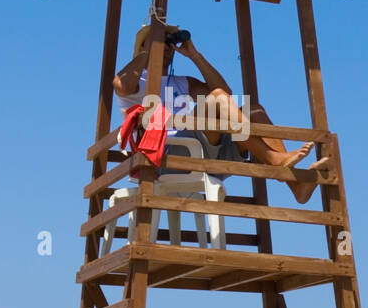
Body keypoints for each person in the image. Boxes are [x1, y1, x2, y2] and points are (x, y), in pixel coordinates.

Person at [113, 27, 330, 204]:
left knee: (254, 110)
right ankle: (273, 157)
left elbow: (225, 92)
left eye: (168, 42)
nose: (167, 47)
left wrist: (195, 56)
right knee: (217, 99)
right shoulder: (136, 82)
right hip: (167, 155)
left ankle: (298, 187)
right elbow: (121, 84)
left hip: (205, 151)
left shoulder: (182, 82)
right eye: (161, 40)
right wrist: (149, 50)